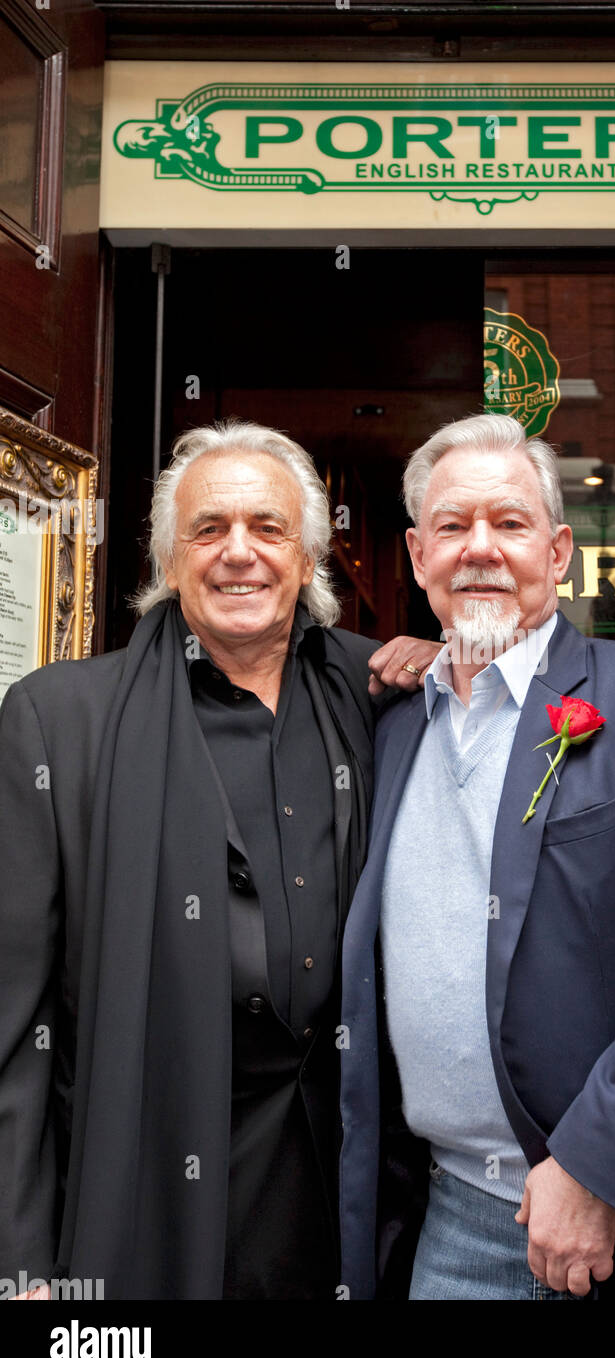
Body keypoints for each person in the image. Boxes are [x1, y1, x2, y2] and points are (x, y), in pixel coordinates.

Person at [337, 412, 615, 1301]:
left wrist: (594, 1165)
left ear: (561, 549)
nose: (482, 550)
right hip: (453, 1222)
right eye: (454, 526)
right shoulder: (391, 731)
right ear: (419, 554)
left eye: (510, 523)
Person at [0, 420, 435, 1299]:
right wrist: (21, 1266)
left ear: (309, 558)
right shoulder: (60, 721)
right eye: (209, 531)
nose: (240, 554)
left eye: (268, 530)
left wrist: (447, 657)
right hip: (143, 1184)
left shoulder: (382, 689)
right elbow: (12, 1024)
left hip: (344, 1191)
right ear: (169, 564)